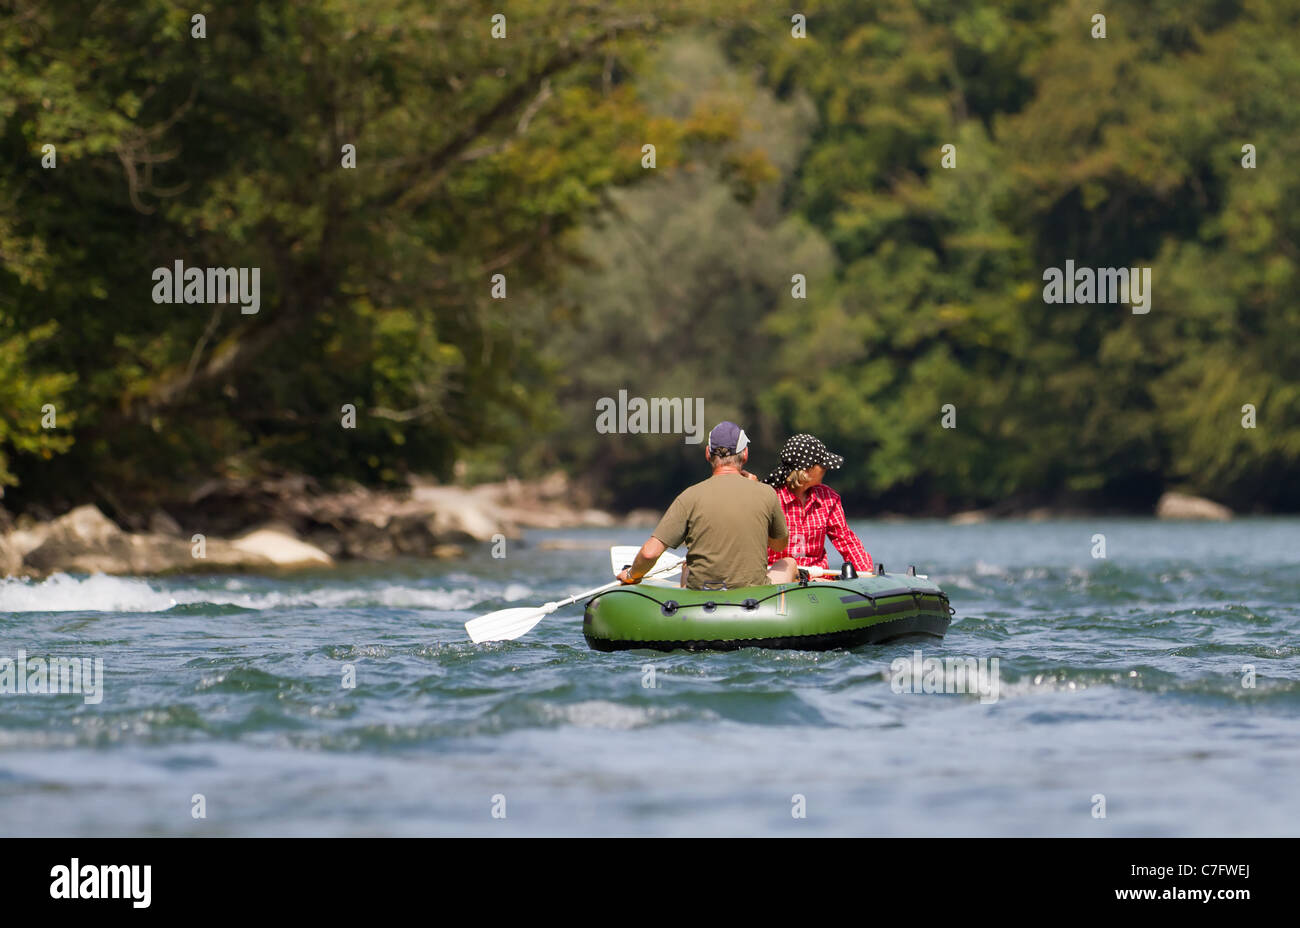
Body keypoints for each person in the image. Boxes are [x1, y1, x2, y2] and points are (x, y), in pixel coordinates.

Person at [617, 421, 797, 589]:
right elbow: (779, 546)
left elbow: (650, 553)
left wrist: (632, 574)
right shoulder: (766, 493)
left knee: (688, 565)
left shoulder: (689, 496)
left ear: (707, 453)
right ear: (745, 454)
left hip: (703, 596)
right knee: (789, 562)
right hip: (753, 596)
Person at [763, 434, 873, 577]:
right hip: (778, 578)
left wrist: (866, 570)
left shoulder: (829, 498)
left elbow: (845, 539)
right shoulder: (769, 498)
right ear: (806, 470)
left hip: (818, 579)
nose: (826, 468)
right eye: (821, 464)